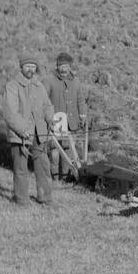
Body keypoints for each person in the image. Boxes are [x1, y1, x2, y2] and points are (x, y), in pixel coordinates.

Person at [2, 56, 55, 206]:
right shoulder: (12, 86)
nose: (31, 69)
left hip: (39, 133)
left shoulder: (39, 86)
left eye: (33, 66)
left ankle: (45, 197)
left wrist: (50, 119)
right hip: (20, 136)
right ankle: (22, 199)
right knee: (20, 169)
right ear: (21, 67)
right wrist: (22, 129)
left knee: (43, 166)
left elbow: (47, 105)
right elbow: (9, 112)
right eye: (28, 66)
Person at [44, 52, 88, 180]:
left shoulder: (75, 81)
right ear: (57, 66)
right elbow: (43, 100)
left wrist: (83, 114)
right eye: (62, 65)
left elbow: (80, 99)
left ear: (70, 67)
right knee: (55, 151)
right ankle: (54, 177)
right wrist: (48, 117)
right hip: (56, 120)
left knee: (68, 149)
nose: (64, 68)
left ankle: (65, 177)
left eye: (67, 66)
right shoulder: (49, 80)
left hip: (72, 120)